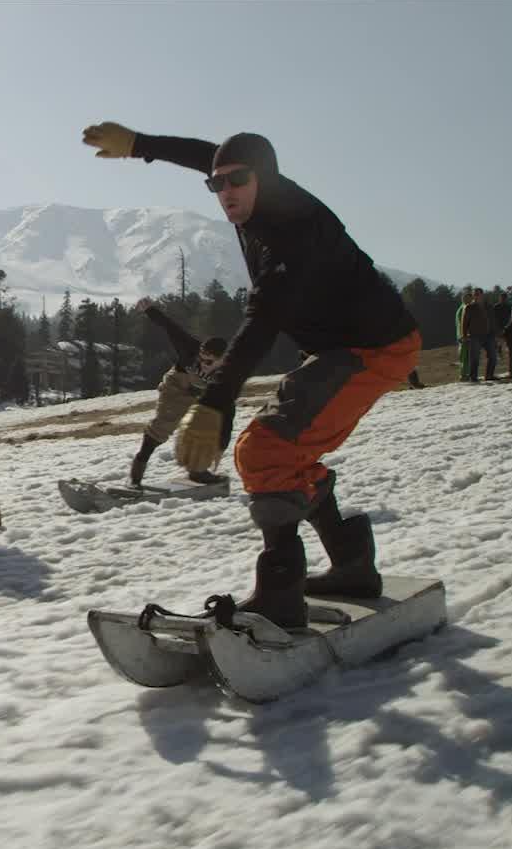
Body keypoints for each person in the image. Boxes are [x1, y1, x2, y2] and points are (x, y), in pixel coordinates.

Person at [82, 121, 422, 627]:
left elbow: (262, 322)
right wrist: (139, 145)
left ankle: (280, 596)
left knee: (264, 451)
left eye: (235, 181)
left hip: (374, 348)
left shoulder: (293, 233)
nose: (225, 193)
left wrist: (215, 402)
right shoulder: (250, 188)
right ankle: (352, 565)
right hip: (337, 347)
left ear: (264, 177)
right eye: (216, 184)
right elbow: (206, 155)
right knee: (286, 452)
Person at [128, 298, 228, 487]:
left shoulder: (227, 371)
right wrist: (149, 309)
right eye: (201, 359)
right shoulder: (190, 346)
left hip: (200, 395)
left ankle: (198, 472)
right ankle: (136, 476)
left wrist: (223, 440)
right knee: (162, 426)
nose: (203, 365)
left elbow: (227, 408)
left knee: (204, 429)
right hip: (176, 387)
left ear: (221, 360)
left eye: (208, 363)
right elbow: (170, 326)